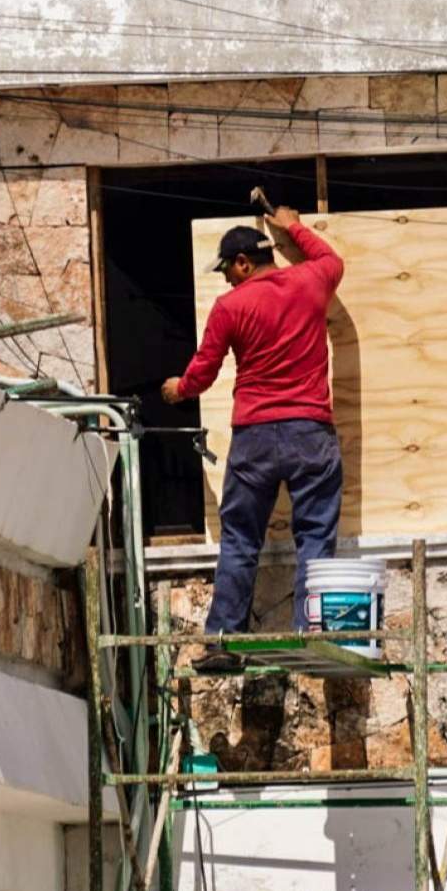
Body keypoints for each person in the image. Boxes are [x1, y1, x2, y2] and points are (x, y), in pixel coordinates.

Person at [162, 208, 345, 661]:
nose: (225, 280)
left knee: (241, 539)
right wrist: (293, 226)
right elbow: (333, 260)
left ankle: (224, 642)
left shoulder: (231, 307)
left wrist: (177, 389)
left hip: (255, 438)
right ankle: (313, 635)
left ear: (244, 262)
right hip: (311, 433)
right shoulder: (312, 281)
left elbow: (202, 373)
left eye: (227, 269)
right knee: (316, 538)